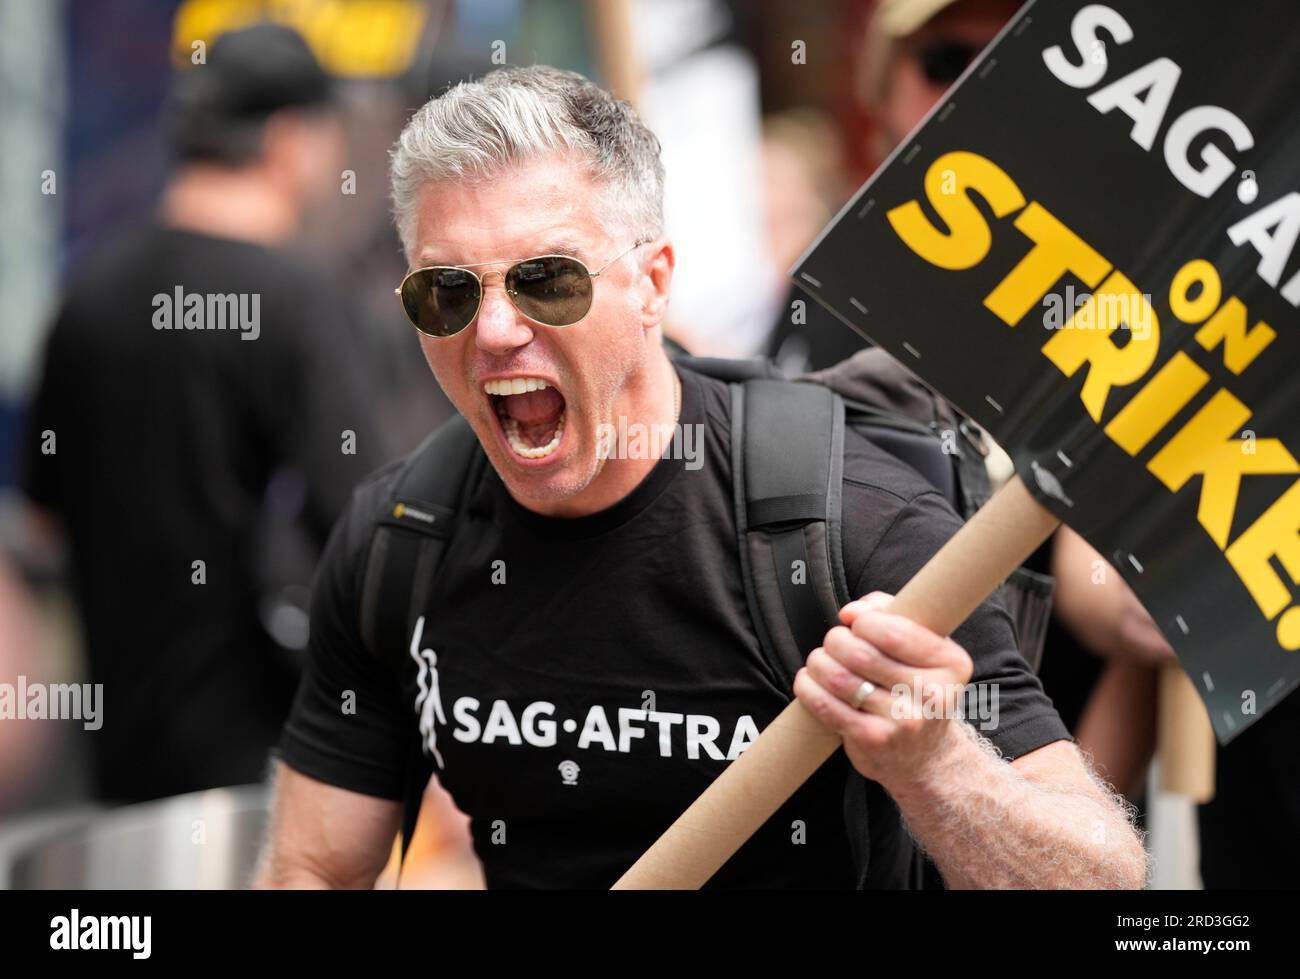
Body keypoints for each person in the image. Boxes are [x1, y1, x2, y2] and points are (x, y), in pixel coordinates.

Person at [255, 64, 1144, 890]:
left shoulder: (850, 521)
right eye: (446, 290)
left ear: (652, 284)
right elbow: (314, 870)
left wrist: (935, 761)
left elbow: (1106, 877)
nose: (491, 332)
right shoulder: (400, 537)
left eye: (547, 280)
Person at [20, 23, 384, 802]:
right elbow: (369, 535)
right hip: (270, 766)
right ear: (291, 142)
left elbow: (44, 522)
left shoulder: (85, 298)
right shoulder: (295, 301)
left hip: (117, 769)